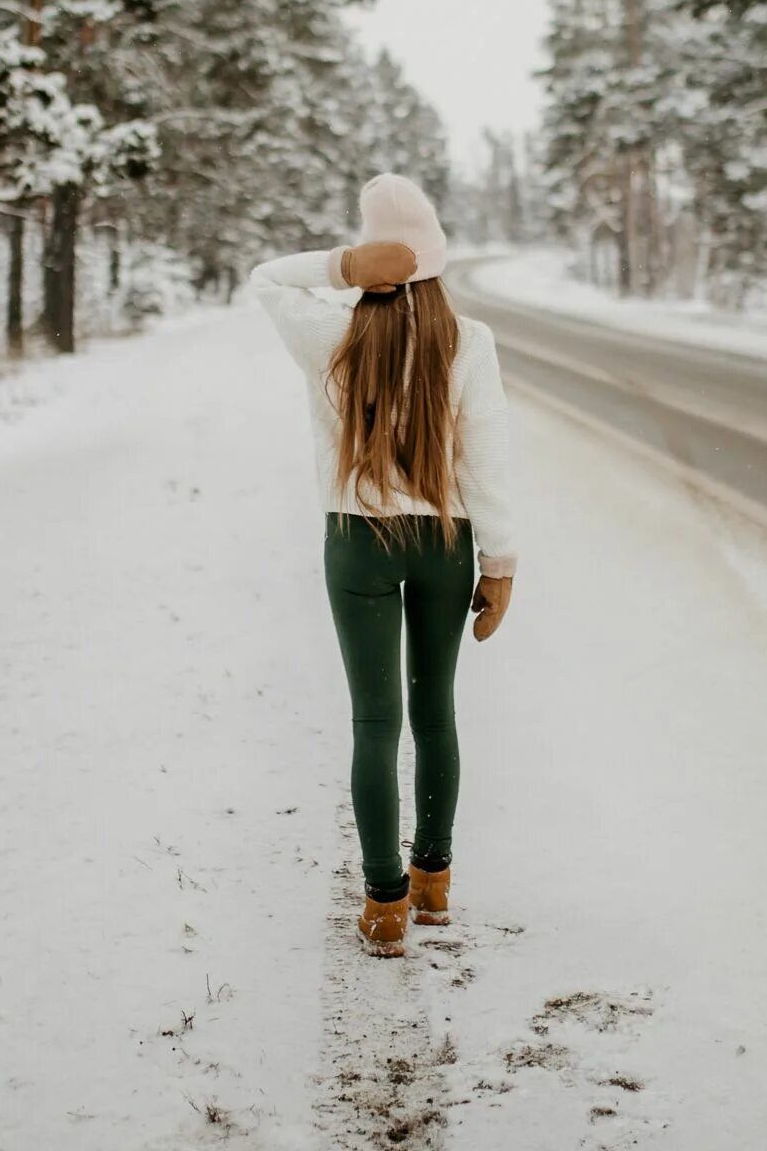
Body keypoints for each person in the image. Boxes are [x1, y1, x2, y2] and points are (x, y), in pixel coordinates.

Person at [250, 174, 519, 957]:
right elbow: (487, 460)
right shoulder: (467, 341)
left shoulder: (331, 335)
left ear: (375, 258)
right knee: (435, 713)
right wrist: (498, 563)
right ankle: (433, 882)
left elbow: (264, 278)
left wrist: (342, 266)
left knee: (375, 723)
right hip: (443, 542)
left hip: (357, 540)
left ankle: (383, 904)